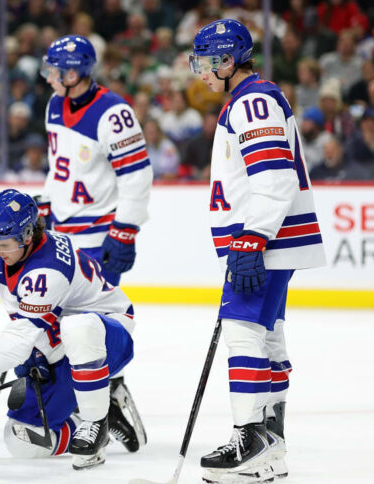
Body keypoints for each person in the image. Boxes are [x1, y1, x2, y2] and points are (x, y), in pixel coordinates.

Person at [189, 19, 326, 483]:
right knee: (266, 336)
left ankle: (250, 441)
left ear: (228, 60)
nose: (200, 72)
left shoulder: (252, 102)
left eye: (206, 62)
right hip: (269, 240)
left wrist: (252, 237)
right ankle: (270, 442)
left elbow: (275, 178)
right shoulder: (253, 98)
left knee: (243, 332)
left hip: (263, 241)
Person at [0, 189, 147, 471]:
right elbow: (21, 320)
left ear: (26, 236)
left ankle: (96, 419)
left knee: (77, 326)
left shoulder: (46, 271)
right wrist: (35, 351)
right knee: (21, 440)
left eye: (3, 243)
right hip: (62, 337)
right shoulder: (9, 253)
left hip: (111, 332)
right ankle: (90, 416)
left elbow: (19, 338)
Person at [37, 35, 153, 287]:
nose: (47, 78)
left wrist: (125, 230)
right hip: (59, 239)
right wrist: (46, 201)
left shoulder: (114, 114)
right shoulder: (54, 104)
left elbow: (136, 177)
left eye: (52, 71)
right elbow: (57, 164)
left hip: (98, 239)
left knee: (92, 322)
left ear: (71, 75)